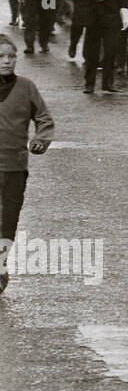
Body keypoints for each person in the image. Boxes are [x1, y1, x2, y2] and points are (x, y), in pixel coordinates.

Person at [0, 35, 55, 294]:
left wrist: (41, 140)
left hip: (14, 167)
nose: (6, 61)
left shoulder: (26, 87)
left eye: (11, 56)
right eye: (0, 57)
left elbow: (44, 118)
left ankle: (1, 264)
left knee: (8, 220)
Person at [82, 0, 128, 94]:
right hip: (93, 17)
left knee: (110, 51)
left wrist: (124, 16)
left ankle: (108, 83)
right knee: (92, 52)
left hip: (111, 17)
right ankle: (89, 83)